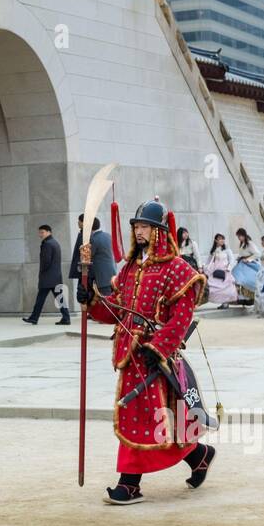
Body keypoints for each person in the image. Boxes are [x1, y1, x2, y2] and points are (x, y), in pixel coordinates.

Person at [81, 200, 214, 504]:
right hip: (131, 356)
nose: (139, 232)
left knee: (144, 419)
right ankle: (199, 456)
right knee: (152, 420)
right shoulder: (130, 268)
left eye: (145, 227)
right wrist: (92, 300)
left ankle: (129, 484)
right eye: (136, 226)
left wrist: (160, 347)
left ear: (159, 231)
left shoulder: (177, 268)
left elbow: (182, 316)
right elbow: (117, 311)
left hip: (157, 360)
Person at [25, 224, 69, 325]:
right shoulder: (54, 242)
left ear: (49, 232)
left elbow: (46, 261)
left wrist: (42, 272)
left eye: (42, 232)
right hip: (55, 277)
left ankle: (34, 318)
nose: (40, 235)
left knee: (40, 299)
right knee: (59, 298)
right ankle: (66, 318)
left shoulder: (47, 244)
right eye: (39, 233)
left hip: (47, 277)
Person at [68, 214, 116, 298]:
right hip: (111, 276)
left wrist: (79, 267)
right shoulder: (107, 235)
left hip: (101, 278)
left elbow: (87, 258)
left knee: (104, 303)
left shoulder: (93, 239)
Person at [204, 234, 238, 306]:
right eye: (220, 239)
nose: (222, 240)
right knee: (215, 287)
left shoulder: (227, 250)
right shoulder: (213, 251)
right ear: (216, 240)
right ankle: (221, 302)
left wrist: (229, 268)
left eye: (223, 239)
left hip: (225, 270)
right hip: (215, 271)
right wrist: (205, 268)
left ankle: (226, 303)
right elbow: (208, 261)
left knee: (226, 287)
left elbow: (232, 260)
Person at [231, 227, 260, 305]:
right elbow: (242, 253)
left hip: (249, 265)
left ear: (243, 235)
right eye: (238, 236)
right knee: (238, 280)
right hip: (242, 264)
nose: (238, 238)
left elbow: (258, 254)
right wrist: (239, 258)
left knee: (246, 281)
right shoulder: (242, 244)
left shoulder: (250, 243)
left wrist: (248, 259)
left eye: (239, 236)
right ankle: (243, 298)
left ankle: (250, 298)